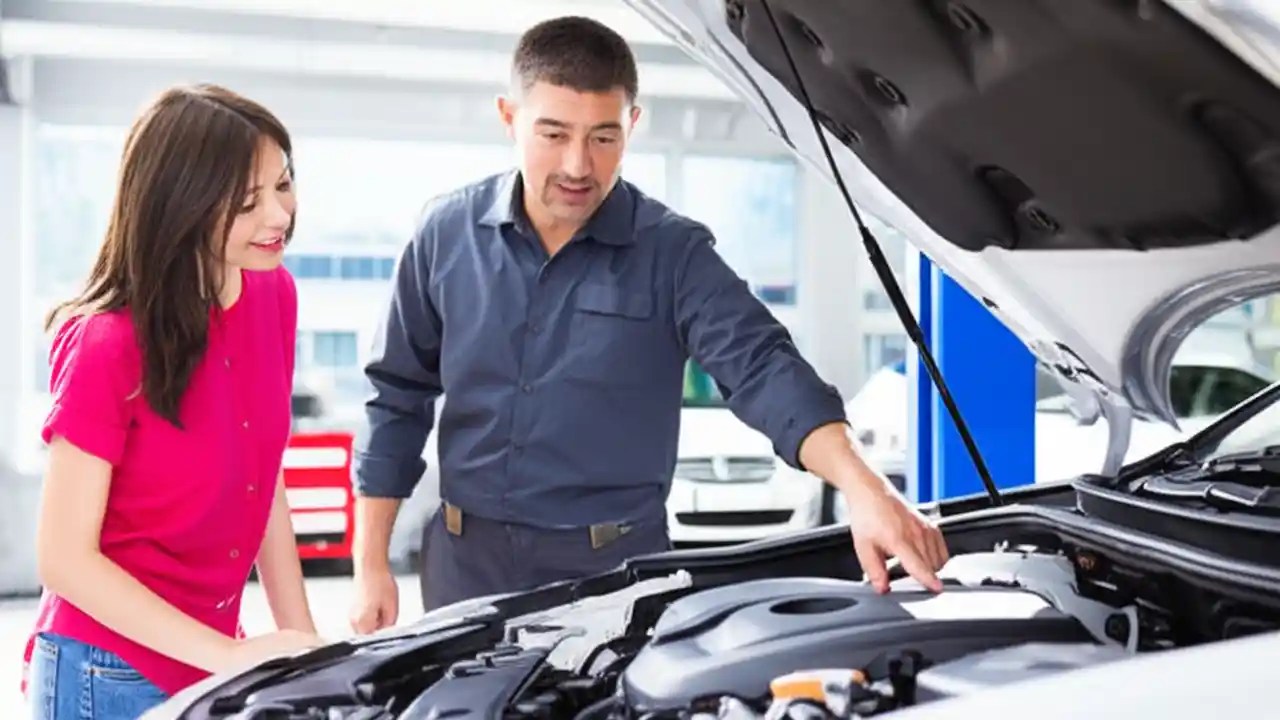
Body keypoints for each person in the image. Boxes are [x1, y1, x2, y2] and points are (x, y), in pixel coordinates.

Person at [348, 16, 948, 631]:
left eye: (604, 137)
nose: (579, 165)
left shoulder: (673, 254)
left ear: (633, 124)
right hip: (464, 567)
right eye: (553, 134)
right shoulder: (445, 234)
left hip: (611, 572)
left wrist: (865, 487)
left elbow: (764, 368)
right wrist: (370, 561)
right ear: (509, 117)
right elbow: (396, 396)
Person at [24, 84, 324, 719]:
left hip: (211, 661)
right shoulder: (106, 342)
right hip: (104, 672)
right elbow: (63, 559)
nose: (279, 216)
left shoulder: (275, 296)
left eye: (284, 185)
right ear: (181, 205)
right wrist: (231, 654)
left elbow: (260, 479)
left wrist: (309, 654)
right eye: (248, 202)